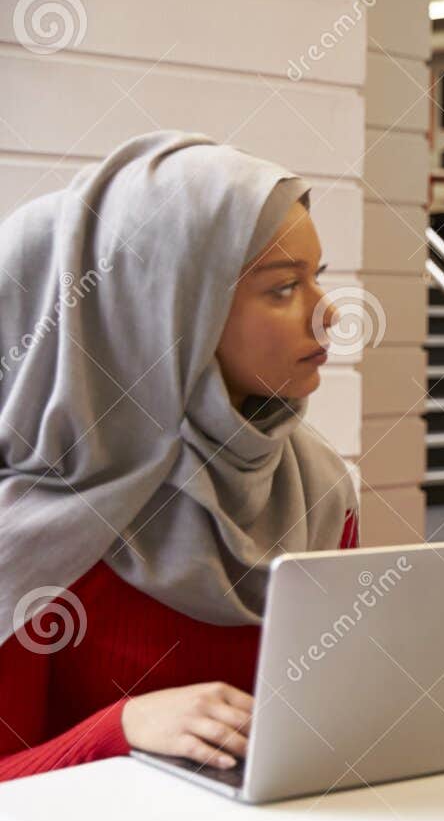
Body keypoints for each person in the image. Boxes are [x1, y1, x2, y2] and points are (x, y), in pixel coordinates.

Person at [0, 132, 360, 782]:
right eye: (282, 289)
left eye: (317, 279)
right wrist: (121, 728)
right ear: (165, 310)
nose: (328, 313)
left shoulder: (315, 486)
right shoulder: (28, 533)